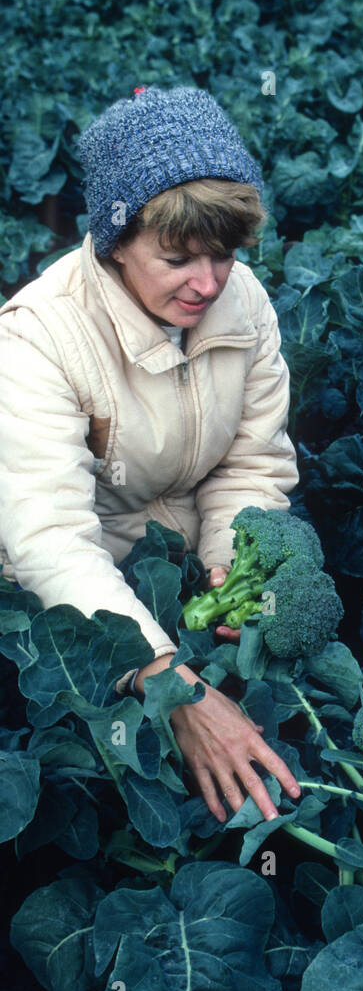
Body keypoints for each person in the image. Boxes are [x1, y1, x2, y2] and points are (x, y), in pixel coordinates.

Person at [0, 85, 301, 822]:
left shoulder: (244, 301)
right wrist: (169, 682)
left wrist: (235, 566)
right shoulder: (36, 337)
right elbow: (49, 542)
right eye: (176, 259)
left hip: (190, 576)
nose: (207, 283)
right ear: (115, 242)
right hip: (76, 605)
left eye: (224, 255)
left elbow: (251, 460)